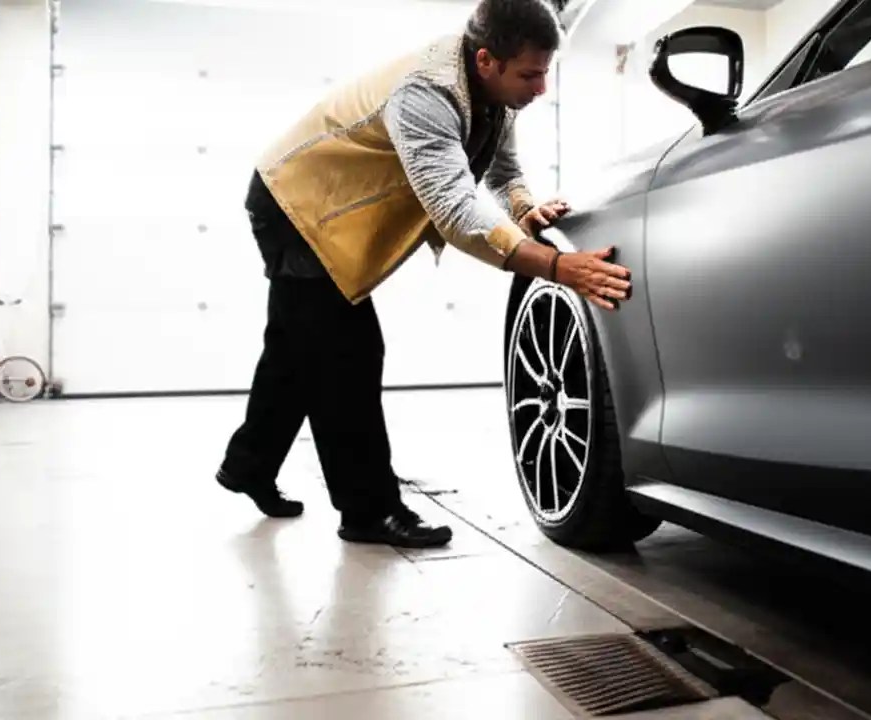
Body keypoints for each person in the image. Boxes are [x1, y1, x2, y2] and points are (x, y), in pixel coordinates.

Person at [216, 0, 633, 548]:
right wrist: (557, 266)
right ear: (487, 60)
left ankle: (247, 464)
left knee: (298, 348)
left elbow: (502, 170)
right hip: (296, 206)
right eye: (531, 75)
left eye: (545, 72)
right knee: (346, 353)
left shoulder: (493, 94)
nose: (541, 89)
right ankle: (368, 511)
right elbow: (456, 210)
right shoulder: (427, 93)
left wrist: (523, 210)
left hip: (316, 206)